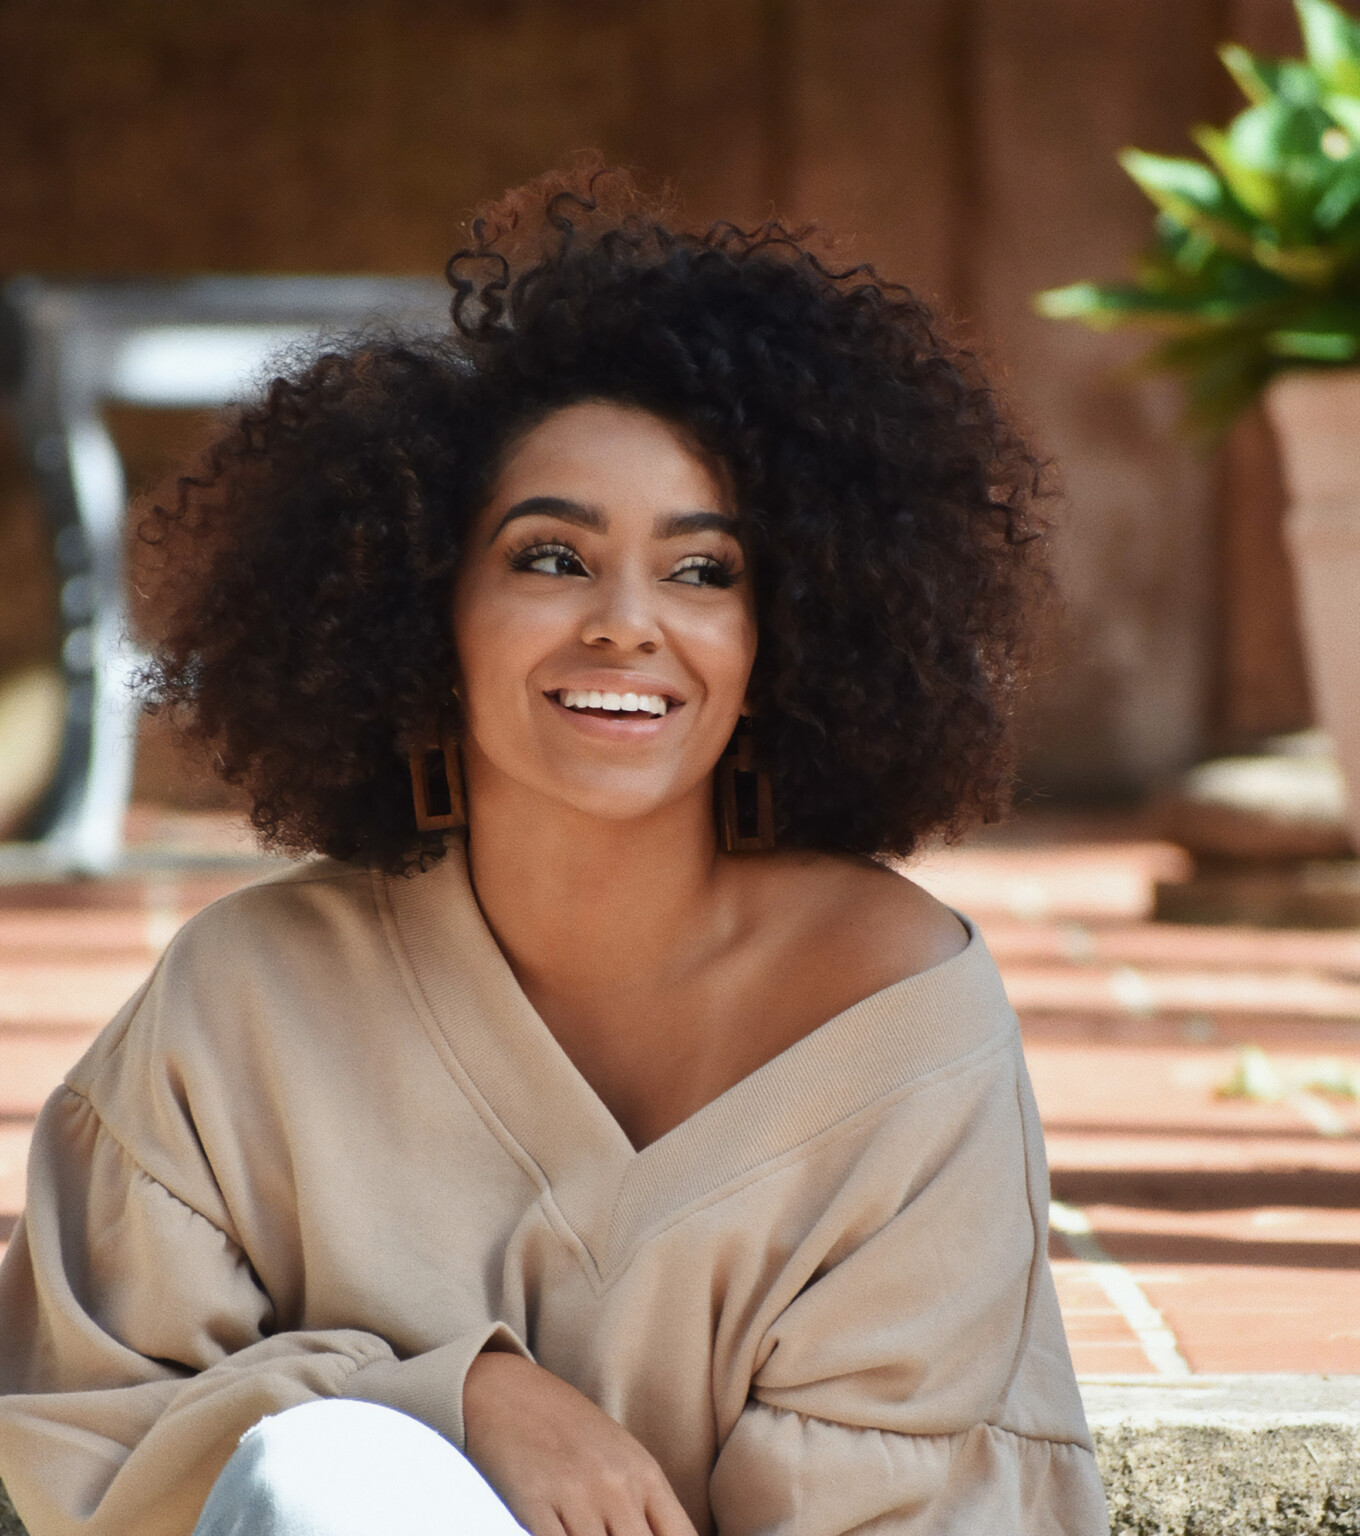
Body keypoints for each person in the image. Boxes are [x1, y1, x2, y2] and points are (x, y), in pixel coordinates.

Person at [0, 167, 1109, 1536]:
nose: (627, 621)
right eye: (550, 557)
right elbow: (94, 1433)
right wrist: (455, 1399)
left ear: (781, 637)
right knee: (326, 1474)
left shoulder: (897, 1017)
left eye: (703, 570)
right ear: (423, 604)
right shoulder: (248, 1000)